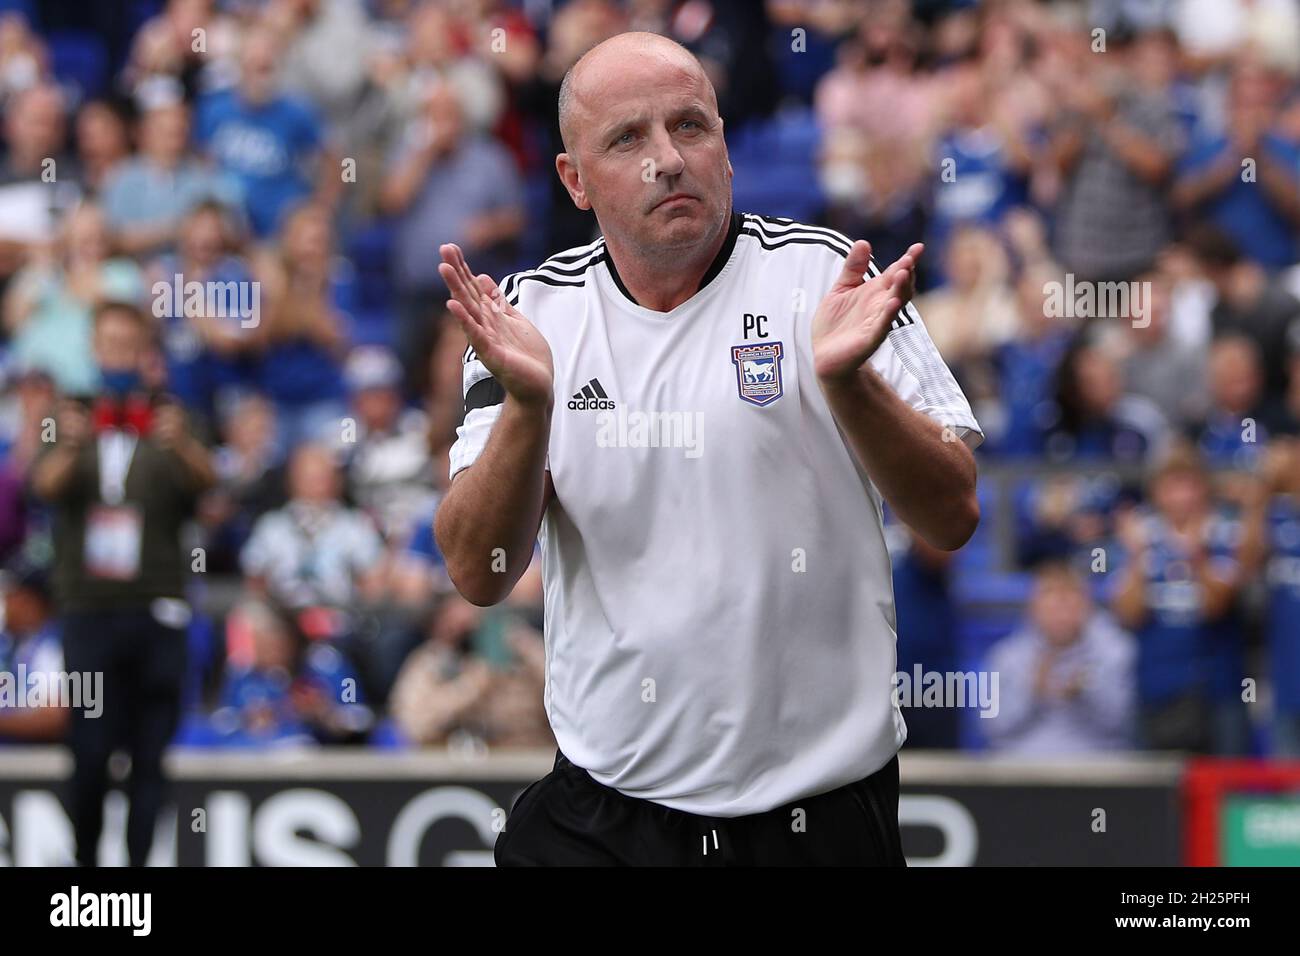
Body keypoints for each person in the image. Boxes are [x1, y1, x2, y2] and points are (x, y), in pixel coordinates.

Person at [436, 32, 981, 866]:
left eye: (690, 127)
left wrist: (850, 386)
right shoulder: (528, 318)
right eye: (627, 138)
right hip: (604, 817)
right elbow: (481, 571)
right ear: (574, 182)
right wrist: (531, 407)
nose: (667, 159)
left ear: (725, 147)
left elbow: (952, 516)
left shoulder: (829, 281)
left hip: (815, 821)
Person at [28, 300, 215, 866]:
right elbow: (42, 486)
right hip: (90, 609)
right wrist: (70, 443)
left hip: (157, 608)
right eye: (107, 343)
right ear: (93, 348)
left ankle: (136, 881)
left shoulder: (172, 416)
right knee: (88, 751)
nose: (117, 354)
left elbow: (208, 486)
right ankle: (86, 871)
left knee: (149, 756)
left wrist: (180, 443)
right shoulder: (67, 417)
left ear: (145, 352)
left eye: (128, 345)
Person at [983, 563, 1136, 755]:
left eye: (1068, 604)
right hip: (1023, 768)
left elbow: (1124, 725)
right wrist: (1032, 693)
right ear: (1033, 608)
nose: (1061, 615)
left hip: (1097, 767)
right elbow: (993, 729)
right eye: (1052, 605)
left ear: (1086, 607)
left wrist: (1086, 691)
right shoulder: (1006, 657)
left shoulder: (1115, 651)